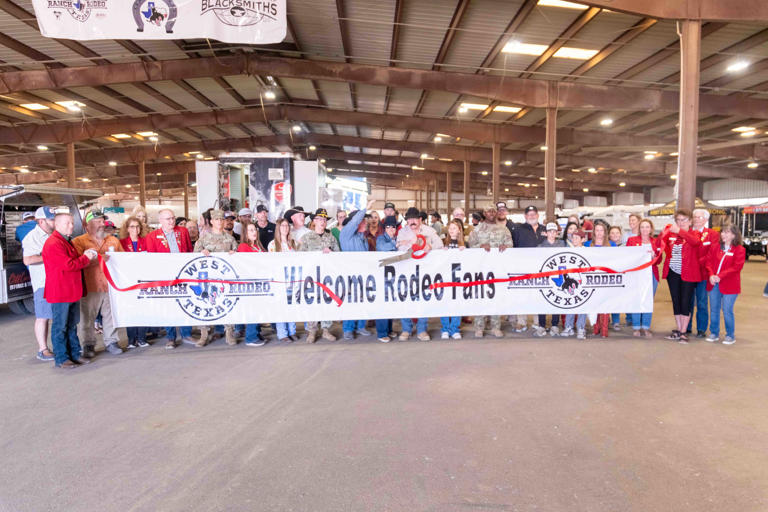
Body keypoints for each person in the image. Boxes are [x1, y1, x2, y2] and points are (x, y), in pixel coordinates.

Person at [42, 210, 98, 369]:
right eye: (67, 223)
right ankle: (61, 358)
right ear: (56, 224)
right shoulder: (54, 243)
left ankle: (74, 354)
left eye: (72, 222)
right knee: (60, 326)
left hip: (70, 290)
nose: (71, 225)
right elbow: (69, 265)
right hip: (61, 291)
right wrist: (86, 257)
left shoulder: (65, 241)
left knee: (72, 324)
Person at [72, 210, 124, 357]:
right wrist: (100, 258)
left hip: (110, 285)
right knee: (87, 317)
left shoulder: (113, 240)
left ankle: (111, 341)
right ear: (86, 225)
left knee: (111, 315)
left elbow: (123, 260)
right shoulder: (79, 242)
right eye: (97, 221)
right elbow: (77, 263)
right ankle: (88, 344)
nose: (102, 224)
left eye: (102, 221)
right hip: (90, 285)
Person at [145, 208, 194, 349]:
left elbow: (189, 250)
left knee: (185, 302)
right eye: (168, 219)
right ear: (160, 221)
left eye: (173, 218)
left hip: (183, 274)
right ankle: (171, 337)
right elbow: (151, 259)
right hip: (164, 276)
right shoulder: (152, 237)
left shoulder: (183, 231)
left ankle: (186, 333)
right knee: (169, 306)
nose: (172, 221)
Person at [396, 206, 443, 341]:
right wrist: (410, 243)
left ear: (420, 219)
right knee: (406, 299)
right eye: (409, 219)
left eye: (414, 219)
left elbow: (439, 245)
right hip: (407, 271)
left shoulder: (430, 231)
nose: (412, 222)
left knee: (423, 299)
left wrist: (430, 247)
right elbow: (398, 247)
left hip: (425, 271)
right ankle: (406, 329)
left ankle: (422, 330)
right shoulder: (402, 232)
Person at [194, 209, 239, 347]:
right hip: (208, 279)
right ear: (212, 221)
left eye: (221, 219)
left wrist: (234, 253)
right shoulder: (203, 239)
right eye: (217, 219)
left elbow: (239, 258)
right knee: (205, 304)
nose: (219, 222)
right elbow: (193, 257)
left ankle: (229, 334)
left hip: (225, 279)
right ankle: (204, 335)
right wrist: (202, 252)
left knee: (227, 305)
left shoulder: (230, 239)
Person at [660, 209, 702, 344]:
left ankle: (684, 332)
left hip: (688, 273)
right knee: (676, 302)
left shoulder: (694, 234)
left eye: (683, 220)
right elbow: (659, 244)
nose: (680, 222)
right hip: (673, 273)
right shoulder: (673, 235)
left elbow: (695, 242)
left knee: (685, 302)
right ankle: (679, 330)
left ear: (690, 221)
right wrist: (662, 233)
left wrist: (679, 231)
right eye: (678, 220)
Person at [468, 206, 511, 338]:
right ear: (484, 214)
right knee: (481, 296)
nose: (491, 214)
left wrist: (506, 246)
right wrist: (480, 246)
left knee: (496, 297)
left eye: (493, 211)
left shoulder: (503, 229)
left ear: (496, 213)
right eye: (488, 211)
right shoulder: (477, 229)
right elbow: (470, 245)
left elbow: (510, 244)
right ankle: (479, 326)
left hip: (497, 269)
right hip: (481, 269)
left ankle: (495, 326)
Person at [299, 208, 340, 343]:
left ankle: (326, 330)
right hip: (312, 276)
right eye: (319, 219)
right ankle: (312, 331)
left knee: (327, 302)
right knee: (312, 302)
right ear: (314, 221)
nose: (322, 222)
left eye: (324, 219)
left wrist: (331, 252)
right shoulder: (306, 238)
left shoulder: (331, 238)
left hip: (327, 276)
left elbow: (339, 255)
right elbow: (301, 258)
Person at [22, 206, 56, 361]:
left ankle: (57, 346)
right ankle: (42, 349)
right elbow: (28, 259)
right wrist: (49, 257)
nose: (54, 222)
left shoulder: (55, 235)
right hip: (43, 283)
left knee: (56, 316)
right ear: (41, 221)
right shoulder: (32, 237)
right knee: (43, 316)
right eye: (51, 219)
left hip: (56, 281)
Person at [339, 201, 377, 340]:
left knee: (362, 300)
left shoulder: (363, 239)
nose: (365, 223)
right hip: (350, 274)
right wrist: (365, 208)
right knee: (350, 301)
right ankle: (348, 329)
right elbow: (354, 222)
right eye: (362, 221)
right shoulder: (346, 234)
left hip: (363, 274)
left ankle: (360, 326)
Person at [705, 224, 745, 345]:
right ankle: (714, 333)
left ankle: (730, 335)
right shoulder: (715, 247)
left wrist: (720, 276)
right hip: (714, 283)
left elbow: (737, 267)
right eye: (722, 232)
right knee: (714, 309)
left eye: (727, 232)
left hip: (730, 285)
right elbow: (708, 262)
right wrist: (711, 275)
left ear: (734, 235)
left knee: (727, 310)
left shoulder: (740, 250)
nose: (723, 234)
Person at [511, 205, 546, 332]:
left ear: (538, 215)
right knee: (522, 294)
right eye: (529, 214)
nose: (531, 216)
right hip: (523, 267)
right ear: (525, 216)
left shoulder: (544, 229)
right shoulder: (518, 229)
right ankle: (521, 321)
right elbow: (513, 247)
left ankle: (538, 321)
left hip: (541, 268)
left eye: (534, 214)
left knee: (539, 294)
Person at [119, 215, 150, 348]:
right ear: (127, 228)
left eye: (137, 226)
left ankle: (142, 338)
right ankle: (131, 339)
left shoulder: (146, 241)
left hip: (143, 279)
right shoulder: (121, 243)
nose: (135, 229)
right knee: (130, 310)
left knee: (142, 309)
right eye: (132, 226)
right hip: (128, 281)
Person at [627, 218, 662, 338]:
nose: (644, 229)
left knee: (648, 300)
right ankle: (636, 327)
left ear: (651, 229)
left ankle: (646, 326)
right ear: (639, 228)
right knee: (637, 299)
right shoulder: (632, 240)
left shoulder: (656, 242)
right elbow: (627, 257)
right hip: (636, 274)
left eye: (647, 227)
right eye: (642, 227)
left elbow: (660, 260)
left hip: (651, 274)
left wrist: (654, 256)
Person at [687, 208, 718, 338]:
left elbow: (713, 254)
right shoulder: (687, 233)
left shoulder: (712, 234)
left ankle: (701, 329)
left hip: (703, 274)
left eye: (699, 217)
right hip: (688, 273)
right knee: (687, 301)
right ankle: (686, 327)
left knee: (701, 302)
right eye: (694, 217)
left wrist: (698, 262)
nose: (696, 220)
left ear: (706, 219)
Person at [268, 218, 299, 342]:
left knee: (291, 306)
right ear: (278, 228)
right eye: (282, 226)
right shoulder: (273, 244)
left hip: (292, 278)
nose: (285, 228)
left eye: (287, 226)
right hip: (279, 279)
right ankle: (282, 333)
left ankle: (292, 330)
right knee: (280, 307)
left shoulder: (293, 243)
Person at [238, 222, 268, 346]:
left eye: (254, 229)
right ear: (245, 233)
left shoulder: (258, 246)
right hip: (251, 283)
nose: (254, 232)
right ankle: (250, 337)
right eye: (250, 230)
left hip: (260, 282)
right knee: (252, 310)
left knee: (258, 310)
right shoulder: (244, 246)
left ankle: (255, 332)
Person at [584, 220, 615, 337]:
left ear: (605, 232)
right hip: (592, 278)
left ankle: (604, 330)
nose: (599, 232)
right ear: (594, 232)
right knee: (594, 303)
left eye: (601, 230)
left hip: (606, 278)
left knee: (605, 303)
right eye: (597, 230)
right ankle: (595, 328)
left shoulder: (611, 245)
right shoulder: (587, 245)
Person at [535, 222, 565, 337]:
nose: (552, 234)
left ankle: (554, 324)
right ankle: (541, 325)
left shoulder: (562, 244)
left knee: (557, 299)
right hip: (545, 276)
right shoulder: (540, 247)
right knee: (542, 299)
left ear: (557, 233)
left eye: (554, 231)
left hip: (558, 276)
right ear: (546, 233)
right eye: (550, 231)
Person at [374, 216, 399, 343]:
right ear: (385, 228)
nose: (391, 229)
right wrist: (396, 244)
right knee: (383, 303)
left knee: (390, 302)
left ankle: (388, 329)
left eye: (393, 226)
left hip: (393, 274)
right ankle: (381, 332)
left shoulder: (396, 239)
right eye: (388, 227)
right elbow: (382, 247)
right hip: (382, 274)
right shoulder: (380, 238)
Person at [560, 229, 588, 340]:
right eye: (573, 237)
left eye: (577, 237)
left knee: (582, 304)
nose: (574, 239)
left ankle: (581, 328)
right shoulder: (568, 251)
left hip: (582, 281)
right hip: (571, 280)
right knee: (570, 303)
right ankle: (569, 326)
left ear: (583, 239)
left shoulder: (587, 251)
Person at [440, 219, 466, 340]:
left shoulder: (465, 244)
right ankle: (445, 329)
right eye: (450, 228)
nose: (451, 230)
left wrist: (464, 251)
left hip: (458, 278)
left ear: (459, 230)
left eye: (454, 228)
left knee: (457, 303)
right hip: (446, 277)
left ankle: (455, 328)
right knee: (445, 303)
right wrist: (442, 252)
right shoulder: (443, 242)